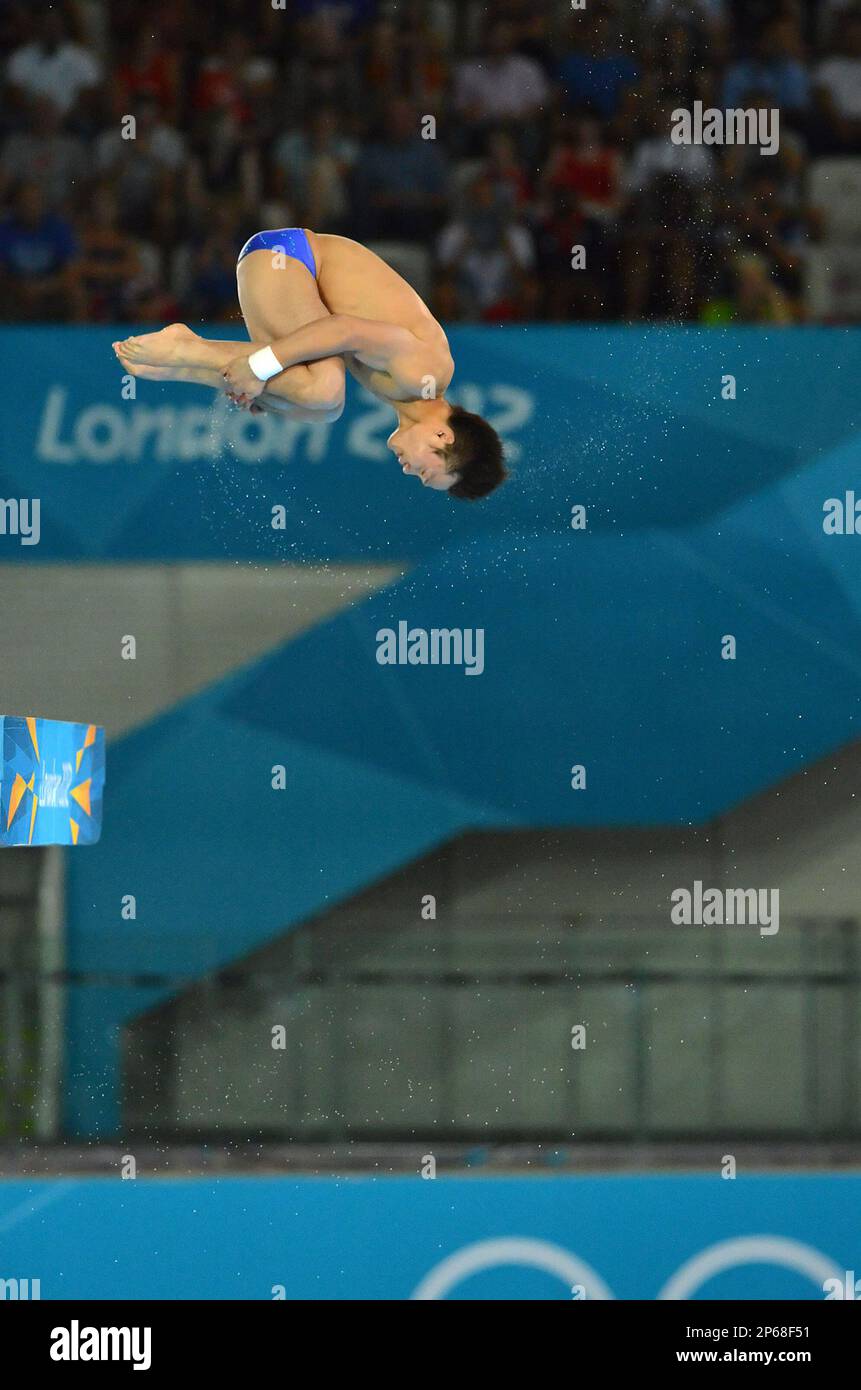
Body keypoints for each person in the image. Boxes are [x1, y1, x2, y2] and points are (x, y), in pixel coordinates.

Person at [114, 228, 508, 500]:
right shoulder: (426, 372)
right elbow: (345, 329)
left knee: (322, 408)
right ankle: (188, 350)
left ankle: (188, 366)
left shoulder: (406, 394)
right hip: (287, 257)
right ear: (442, 438)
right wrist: (262, 366)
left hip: (288, 276)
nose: (409, 472)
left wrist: (267, 383)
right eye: (425, 472)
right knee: (323, 391)